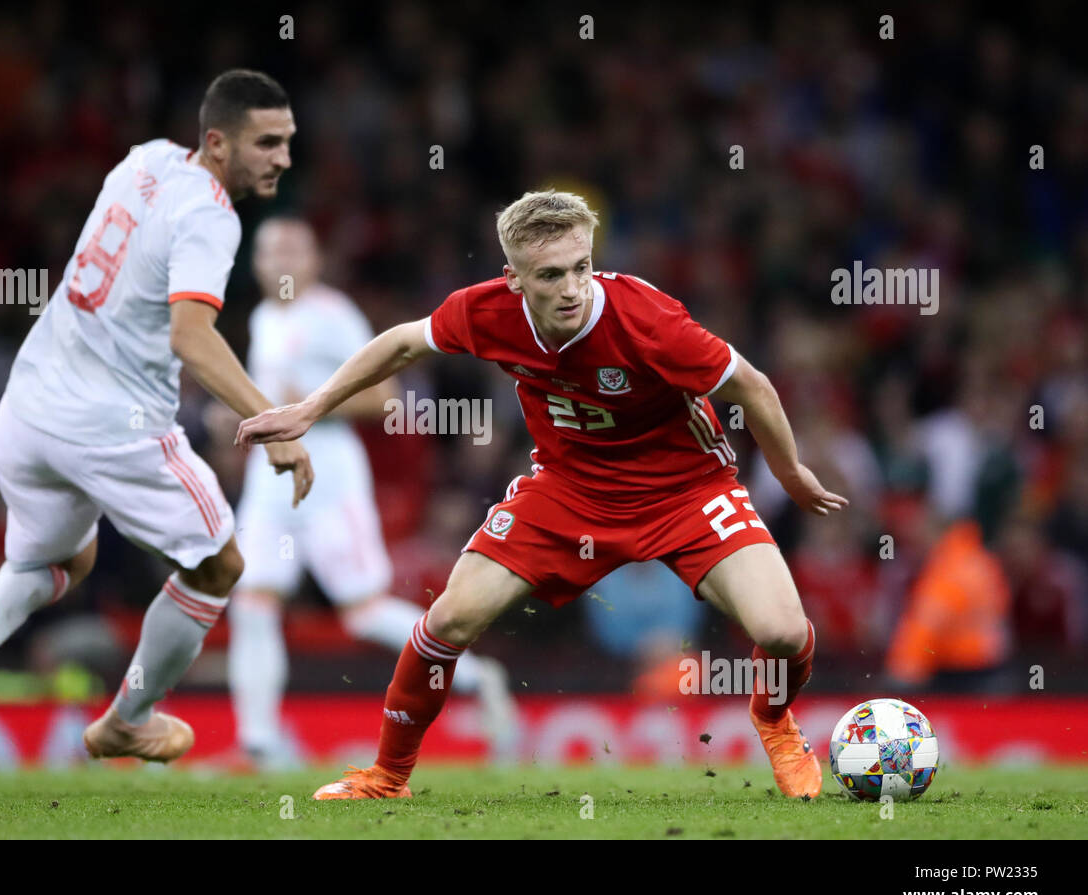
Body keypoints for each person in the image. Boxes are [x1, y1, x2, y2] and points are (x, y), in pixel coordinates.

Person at [237, 190, 848, 799]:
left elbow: (755, 388)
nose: (572, 289)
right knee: (448, 617)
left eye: (580, 268)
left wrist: (789, 472)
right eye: (551, 275)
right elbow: (401, 343)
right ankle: (388, 776)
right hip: (569, 490)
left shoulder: (647, 319)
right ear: (513, 280)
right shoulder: (485, 313)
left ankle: (773, 720)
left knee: (784, 633)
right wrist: (312, 408)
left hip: (684, 492)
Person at [0, 69, 313, 764]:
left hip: (30, 407)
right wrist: (273, 420)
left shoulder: (143, 160)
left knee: (69, 555)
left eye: (287, 142)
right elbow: (190, 336)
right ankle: (129, 718)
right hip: (113, 425)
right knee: (217, 566)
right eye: (268, 142)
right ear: (218, 142)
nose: (283, 157)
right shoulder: (212, 216)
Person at [227, 217, 517, 769]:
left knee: (360, 612)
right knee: (253, 601)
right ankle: (258, 744)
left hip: (331, 476)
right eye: (269, 251)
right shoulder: (266, 317)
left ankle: (479, 679)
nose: (280, 262)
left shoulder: (333, 317)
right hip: (271, 478)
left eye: (293, 250)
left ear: (314, 260)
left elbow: (385, 399)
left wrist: (309, 404)